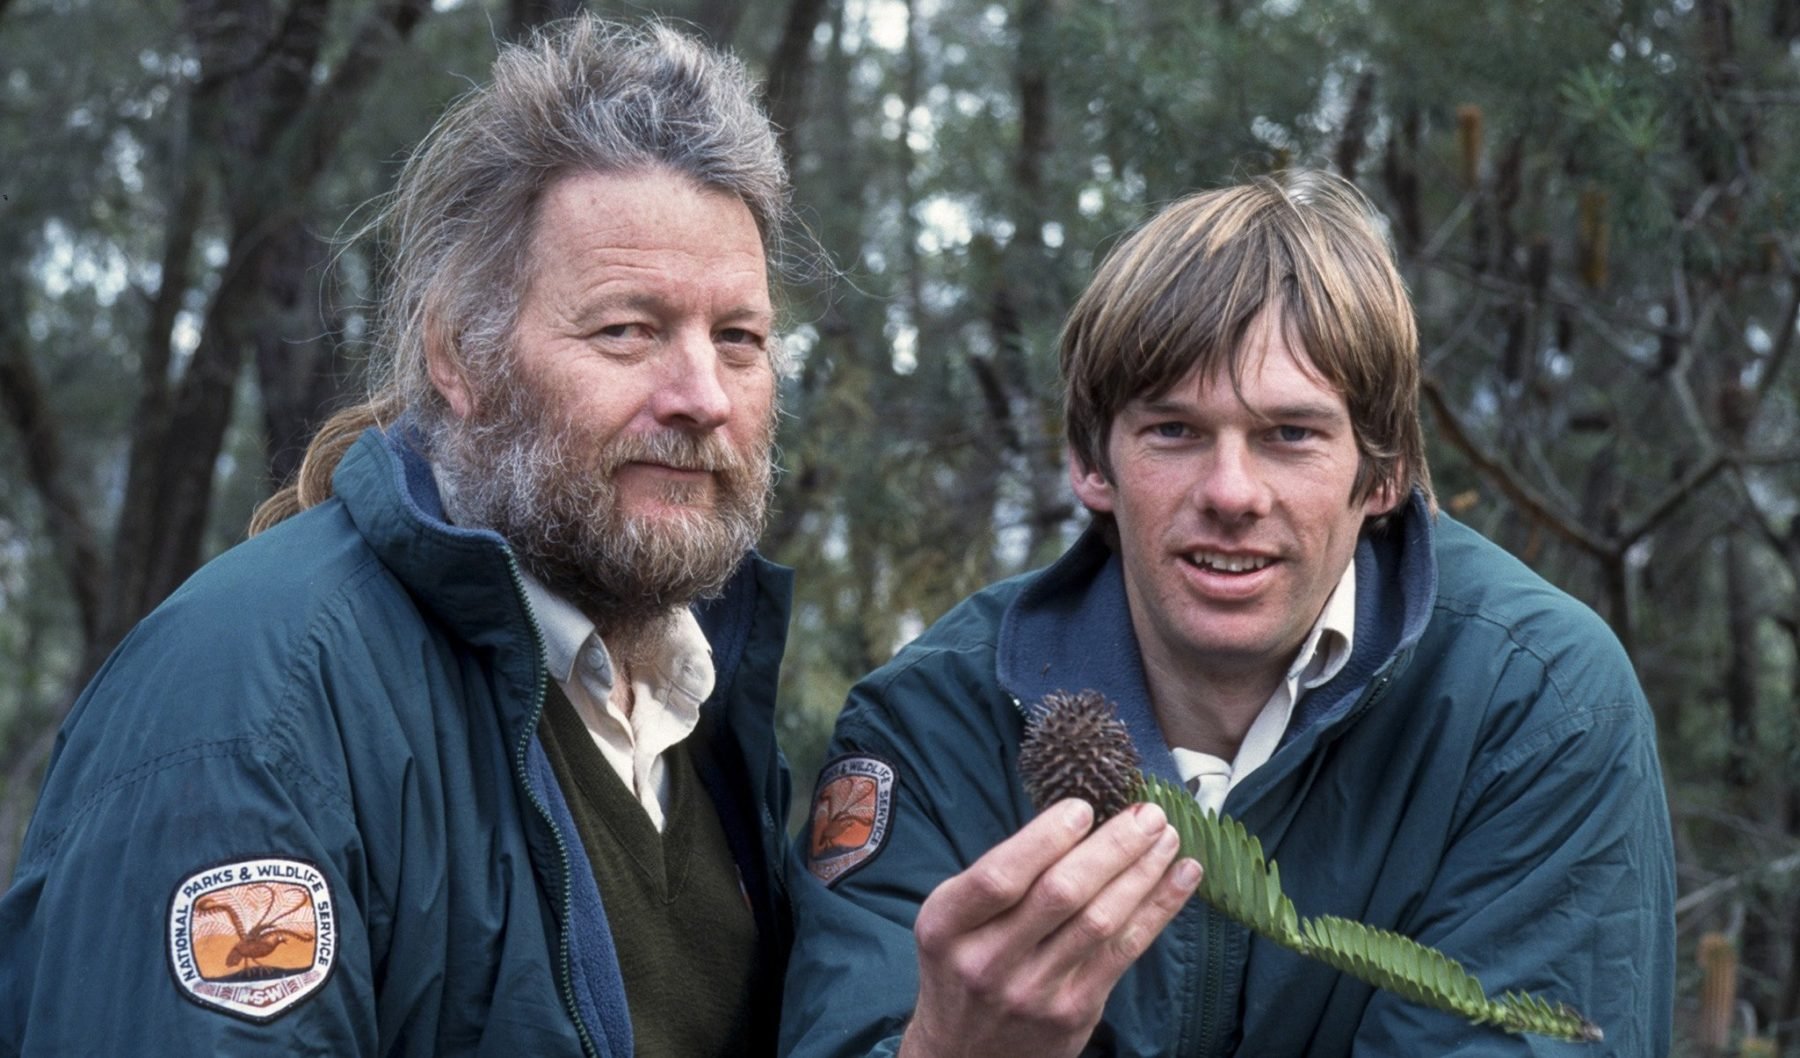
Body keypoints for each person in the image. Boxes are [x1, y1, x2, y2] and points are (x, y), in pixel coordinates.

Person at [0, 17, 798, 1056]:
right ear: (459, 357)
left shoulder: (706, 704)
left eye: (738, 338)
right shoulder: (254, 709)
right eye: (626, 330)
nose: (702, 395)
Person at [779, 171, 1674, 1057]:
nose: (1232, 493)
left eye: (1291, 434)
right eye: (1175, 430)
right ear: (1093, 463)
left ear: (1385, 473)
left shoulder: (1533, 704)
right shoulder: (933, 727)